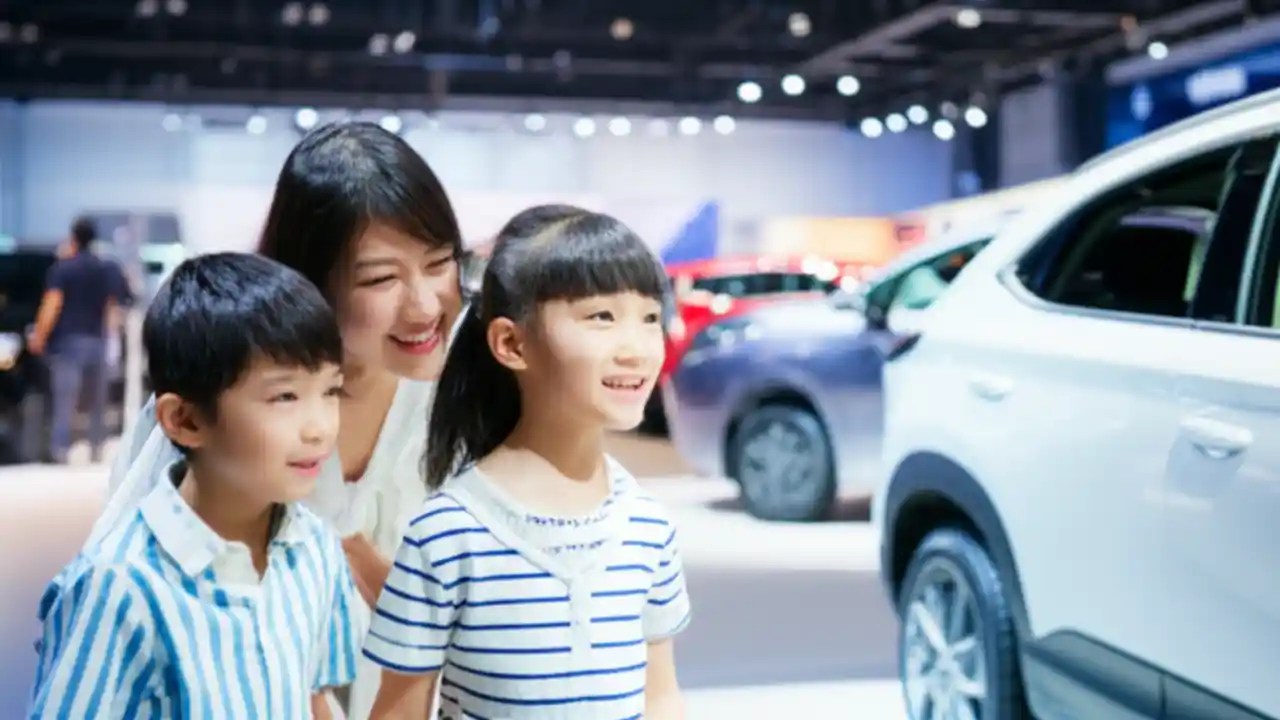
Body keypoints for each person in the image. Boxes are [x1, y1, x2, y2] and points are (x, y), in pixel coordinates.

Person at [83, 121, 466, 719]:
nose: (424, 305)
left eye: (441, 262)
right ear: (314, 280)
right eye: (381, 278)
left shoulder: (457, 396)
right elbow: (116, 599)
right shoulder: (221, 403)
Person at [363, 205, 692, 720]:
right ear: (512, 343)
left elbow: (662, 697)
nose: (636, 348)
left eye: (649, 318)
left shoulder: (648, 529)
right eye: (602, 317)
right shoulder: (448, 534)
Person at [29, 253, 361, 718]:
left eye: (331, 391)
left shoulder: (316, 549)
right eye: (285, 396)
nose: (321, 428)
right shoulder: (120, 585)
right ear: (184, 420)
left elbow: (313, 698)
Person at [28, 216, 132, 463]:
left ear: (73, 238)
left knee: (65, 399)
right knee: (98, 401)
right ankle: (96, 449)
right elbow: (112, 306)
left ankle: (60, 450)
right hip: (97, 339)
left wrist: (39, 336)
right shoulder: (104, 267)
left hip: (68, 342)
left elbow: (53, 304)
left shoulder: (63, 269)